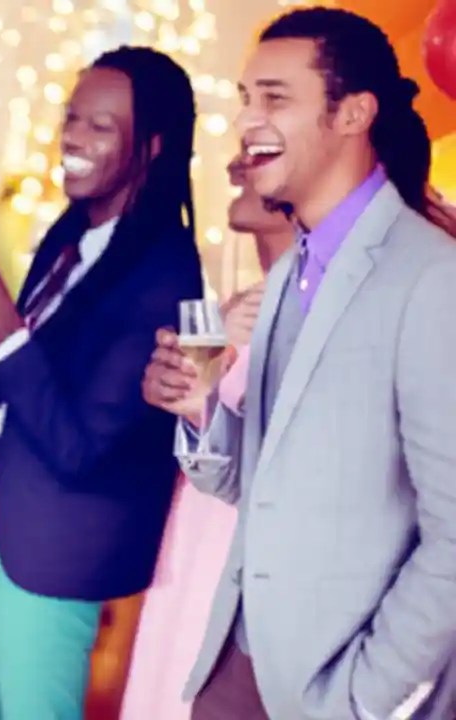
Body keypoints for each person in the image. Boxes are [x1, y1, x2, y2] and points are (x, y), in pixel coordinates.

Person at [143, 8, 456, 718]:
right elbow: (260, 485)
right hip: (237, 659)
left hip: (339, 681)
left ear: (353, 114)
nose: (248, 120)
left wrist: (362, 694)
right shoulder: (291, 273)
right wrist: (200, 408)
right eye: (245, 98)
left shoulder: (433, 278)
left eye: (275, 98)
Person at [0, 46, 204, 719]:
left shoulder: (166, 269)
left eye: (102, 126)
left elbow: (83, 445)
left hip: (58, 545)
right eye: (73, 119)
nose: (76, 139)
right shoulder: (71, 237)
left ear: (150, 147)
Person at [119, 154, 292, 720]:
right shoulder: (234, 307)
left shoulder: (312, 309)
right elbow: (189, 410)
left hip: (246, 552)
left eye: (261, 156)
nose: (236, 166)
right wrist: (173, 387)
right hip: (194, 535)